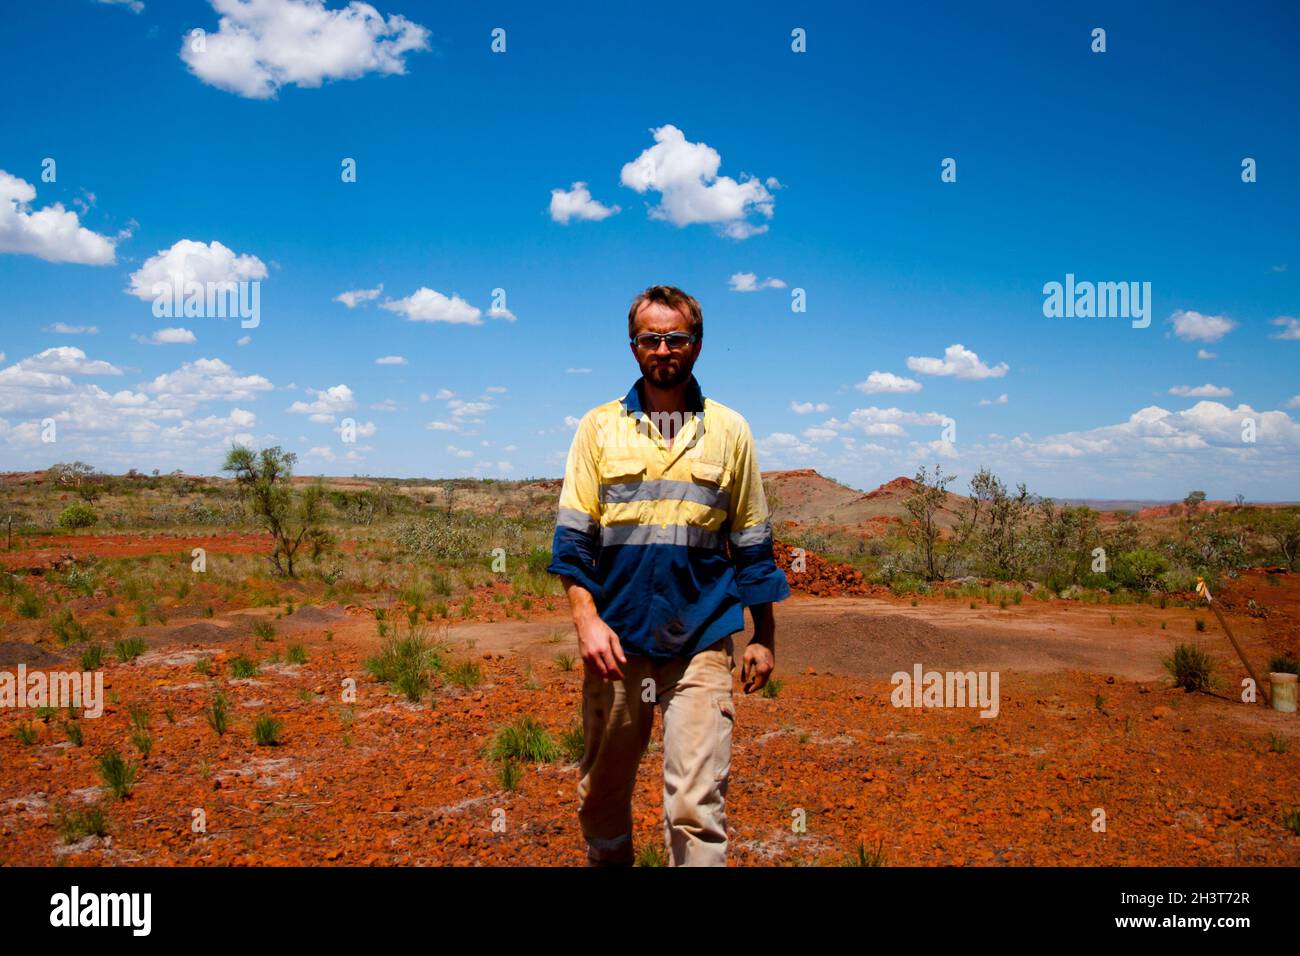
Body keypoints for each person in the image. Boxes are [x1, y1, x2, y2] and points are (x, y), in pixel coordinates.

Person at [547, 284, 791, 866]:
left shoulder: (731, 432)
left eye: (675, 338)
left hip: (702, 639)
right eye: (650, 339)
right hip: (617, 641)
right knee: (601, 795)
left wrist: (765, 635)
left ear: (697, 345)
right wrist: (586, 622)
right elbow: (573, 543)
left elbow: (752, 542)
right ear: (633, 347)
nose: (663, 349)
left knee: (695, 805)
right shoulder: (598, 429)